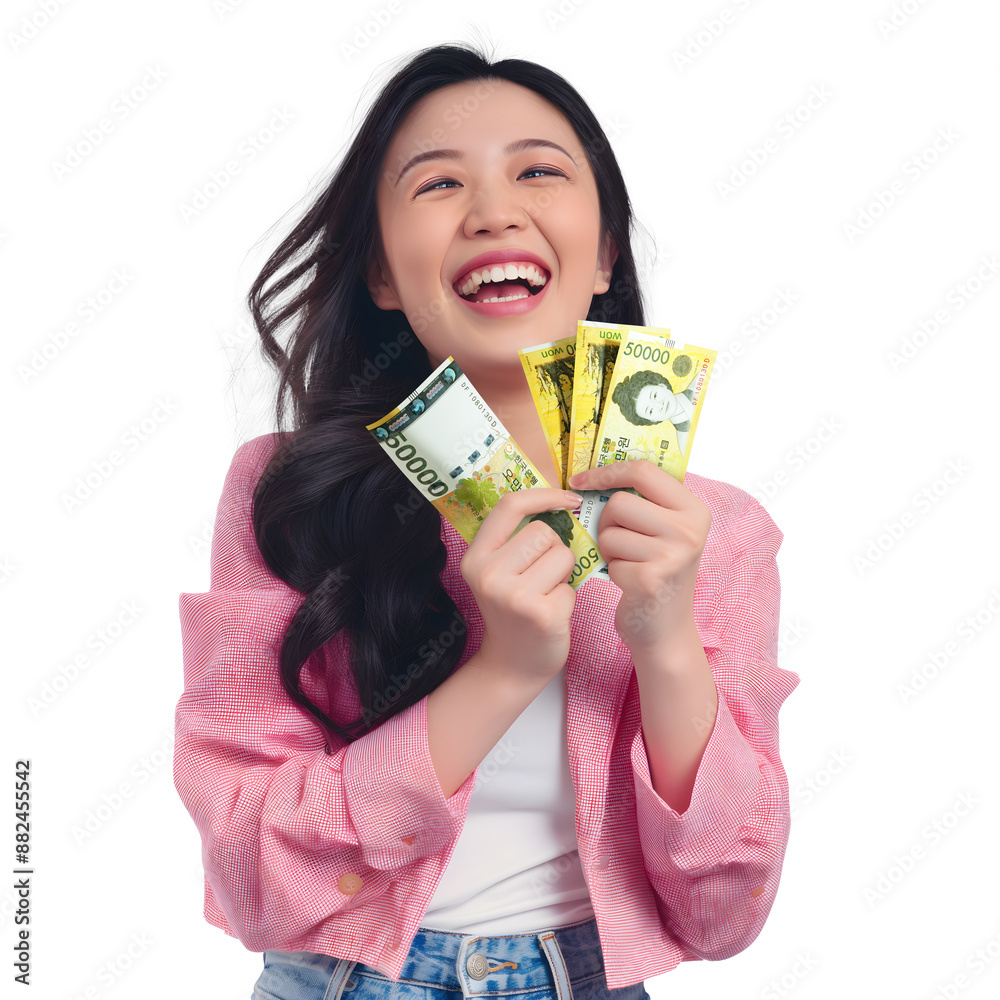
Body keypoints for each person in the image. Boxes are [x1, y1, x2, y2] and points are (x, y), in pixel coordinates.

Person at [172, 41, 800, 1000]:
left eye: (539, 171)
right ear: (382, 275)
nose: (495, 210)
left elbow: (723, 915)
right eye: (436, 184)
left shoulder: (713, 534)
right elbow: (254, 875)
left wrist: (666, 640)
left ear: (606, 254)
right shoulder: (288, 496)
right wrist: (504, 669)